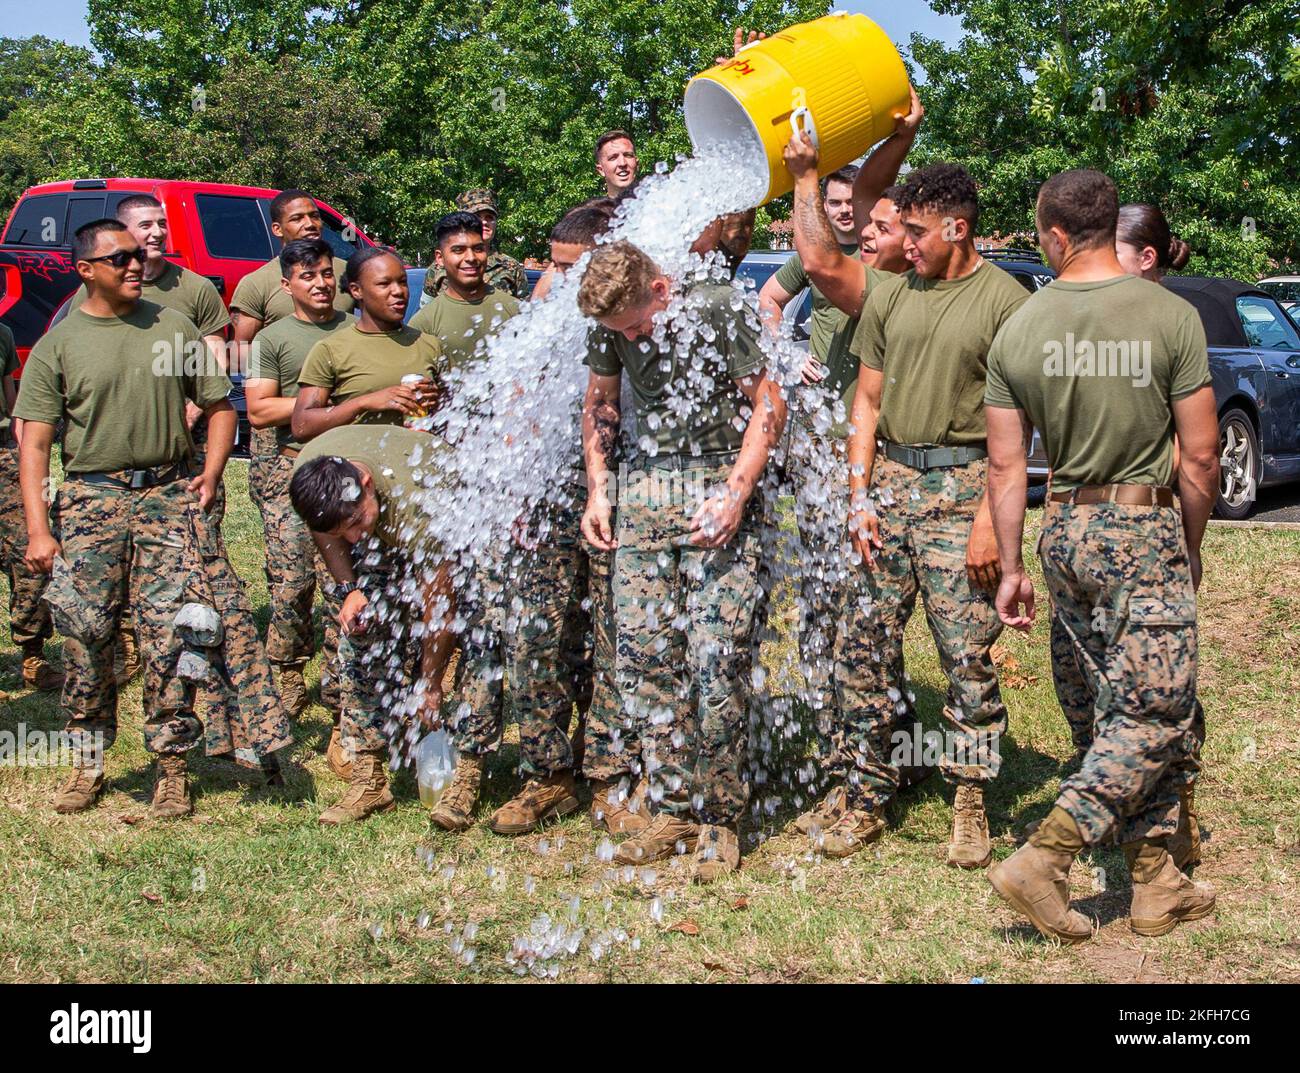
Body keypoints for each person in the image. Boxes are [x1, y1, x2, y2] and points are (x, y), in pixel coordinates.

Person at [984, 168, 1219, 942]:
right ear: (1108, 224)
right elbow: (1202, 456)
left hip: (1063, 531)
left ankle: (1156, 881)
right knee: (1156, 709)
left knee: (1111, 713)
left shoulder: (1016, 327)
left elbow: (1006, 467)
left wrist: (1014, 566)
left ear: (1053, 235)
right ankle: (1045, 858)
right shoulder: (1169, 313)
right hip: (1139, 527)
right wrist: (1188, 542)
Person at [14, 219, 291, 816]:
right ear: (85, 268)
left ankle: (171, 766)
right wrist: (39, 529)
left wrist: (212, 473)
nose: (136, 265)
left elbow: (220, 408)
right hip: (91, 503)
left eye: (139, 256)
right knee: (87, 634)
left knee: (170, 635)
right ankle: (87, 764)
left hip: (167, 498)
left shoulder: (174, 327)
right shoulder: (58, 345)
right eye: (120, 259)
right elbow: (33, 443)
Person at [577, 240, 787, 882]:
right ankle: (671, 806)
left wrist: (737, 492)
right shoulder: (611, 323)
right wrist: (599, 487)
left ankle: (721, 817)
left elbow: (769, 405)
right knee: (646, 658)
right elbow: (602, 405)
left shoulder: (720, 306)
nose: (633, 339)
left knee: (716, 660)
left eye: (639, 325)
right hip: (645, 489)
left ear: (661, 289)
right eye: (621, 333)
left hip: (716, 484)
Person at [838, 164, 1029, 867]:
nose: (903, 243)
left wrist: (989, 519)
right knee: (861, 641)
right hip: (888, 483)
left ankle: (970, 797)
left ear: (958, 227)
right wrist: (858, 494)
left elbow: (1018, 429)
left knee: (965, 655)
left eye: (915, 231)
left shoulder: (1005, 302)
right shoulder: (891, 297)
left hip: (964, 487)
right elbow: (867, 402)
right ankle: (869, 787)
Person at [762, 92, 924, 842]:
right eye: (837, 202)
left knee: (857, 621)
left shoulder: (891, 277)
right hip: (833, 458)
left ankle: (873, 763)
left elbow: (834, 246)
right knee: (843, 618)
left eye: (864, 210)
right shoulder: (833, 255)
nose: (854, 214)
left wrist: (812, 168)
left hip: (882, 466)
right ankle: (872, 756)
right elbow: (776, 291)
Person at [68, 193, 234, 679]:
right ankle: (122, 633)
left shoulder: (194, 290)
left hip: (189, 439)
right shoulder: (94, 293)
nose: (157, 233)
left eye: (162, 223)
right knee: (111, 554)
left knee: (195, 540)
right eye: (145, 225)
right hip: (114, 461)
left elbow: (216, 357)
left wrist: (190, 408)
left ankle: (187, 637)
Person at [290, 426, 458, 825]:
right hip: (387, 514)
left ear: (366, 484)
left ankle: (465, 772)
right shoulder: (312, 475)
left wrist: (430, 684)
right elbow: (327, 530)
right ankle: (369, 780)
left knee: (470, 638)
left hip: (453, 514)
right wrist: (351, 588)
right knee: (362, 633)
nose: (354, 536)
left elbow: (441, 605)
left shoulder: (420, 500)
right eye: (344, 531)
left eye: (355, 521)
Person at [243, 237, 352, 732]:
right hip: (292, 469)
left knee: (342, 585)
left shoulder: (355, 330)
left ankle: (340, 689)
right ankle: (287, 675)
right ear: (287, 285)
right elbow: (261, 409)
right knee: (291, 584)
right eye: (308, 276)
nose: (321, 283)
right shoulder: (274, 339)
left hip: (346, 471)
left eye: (327, 273)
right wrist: (323, 403)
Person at [291, 247, 445, 441]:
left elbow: (456, 419)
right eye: (384, 284)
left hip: (415, 465)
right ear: (357, 290)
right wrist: (364, 403)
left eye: (402, 282)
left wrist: (437, 402)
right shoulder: (330, 350)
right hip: (359, 467)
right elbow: (302, 426)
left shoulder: (430, 345)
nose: (398, 291)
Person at [1, 321, 61, 700]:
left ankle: (32, 655)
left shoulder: (4, 333)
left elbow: (11, 399)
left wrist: (20, 447)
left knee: (31, 551)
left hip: (3, 455)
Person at [410, 211, 521, 369]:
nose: (471, 257)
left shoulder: (516, 311)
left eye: (478, 249)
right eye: (458, 250)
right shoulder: (424, 325)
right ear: (440, 258)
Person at [422, 189, 529, 301]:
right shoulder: (439, 267)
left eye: (489, 217)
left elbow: (524, 313)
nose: (484, 222)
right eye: (477, 216)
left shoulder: (511, 267)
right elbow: (427, 312)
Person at [594, 130, 639, 199]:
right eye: (613, 158)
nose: (622, 163)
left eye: (628, 155)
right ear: (601, 170)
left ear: (637, 164)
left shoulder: (657, 205)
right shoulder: (592, 209)